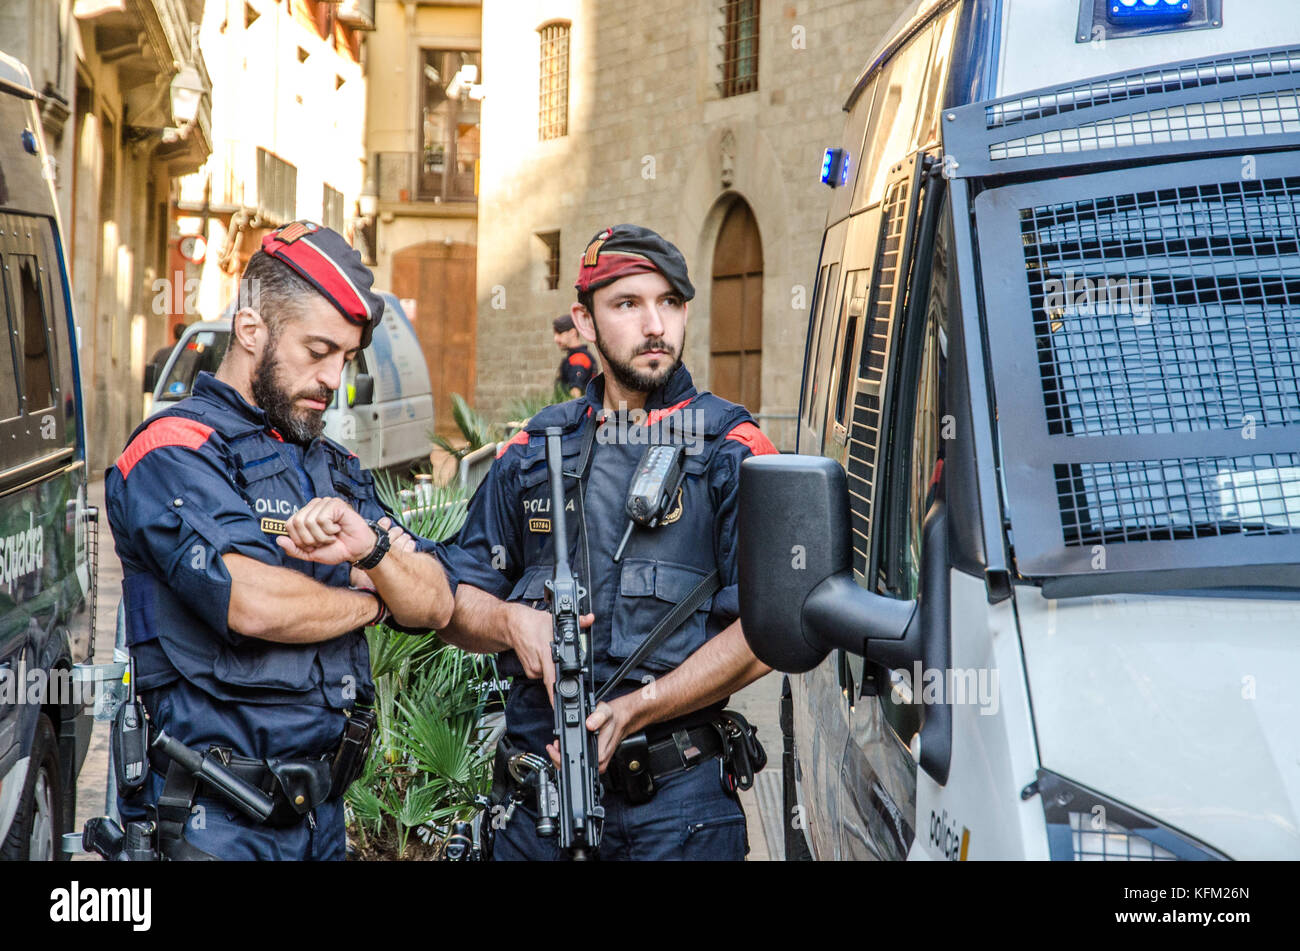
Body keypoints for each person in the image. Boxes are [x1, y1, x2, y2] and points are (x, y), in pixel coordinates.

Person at [106, 221, 457, 861]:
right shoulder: (171, 450)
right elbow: (251, 603)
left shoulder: (331, 464)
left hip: (321, 820)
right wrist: (375, 598)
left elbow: (434, 601)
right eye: (317, 350)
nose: (333, 377)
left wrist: (371, 556)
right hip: (212, 822)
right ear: (250, 330)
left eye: (346, 358)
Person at [440, 223, 776, 861]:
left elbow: (767, 633)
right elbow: (452, 604)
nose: (656, 325)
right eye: (628, 304)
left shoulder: (735, 448)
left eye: (669, 303)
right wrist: (510, 621)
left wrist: (639, 709)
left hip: (677, 813)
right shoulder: (532, 450)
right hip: (533, 810)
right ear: (585, 320)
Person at [553, 313, 596, 397]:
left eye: (560, 333)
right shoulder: (575, 357)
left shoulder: (579, 359)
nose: (555, 339)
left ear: (573, 332)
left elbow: (575, 393)